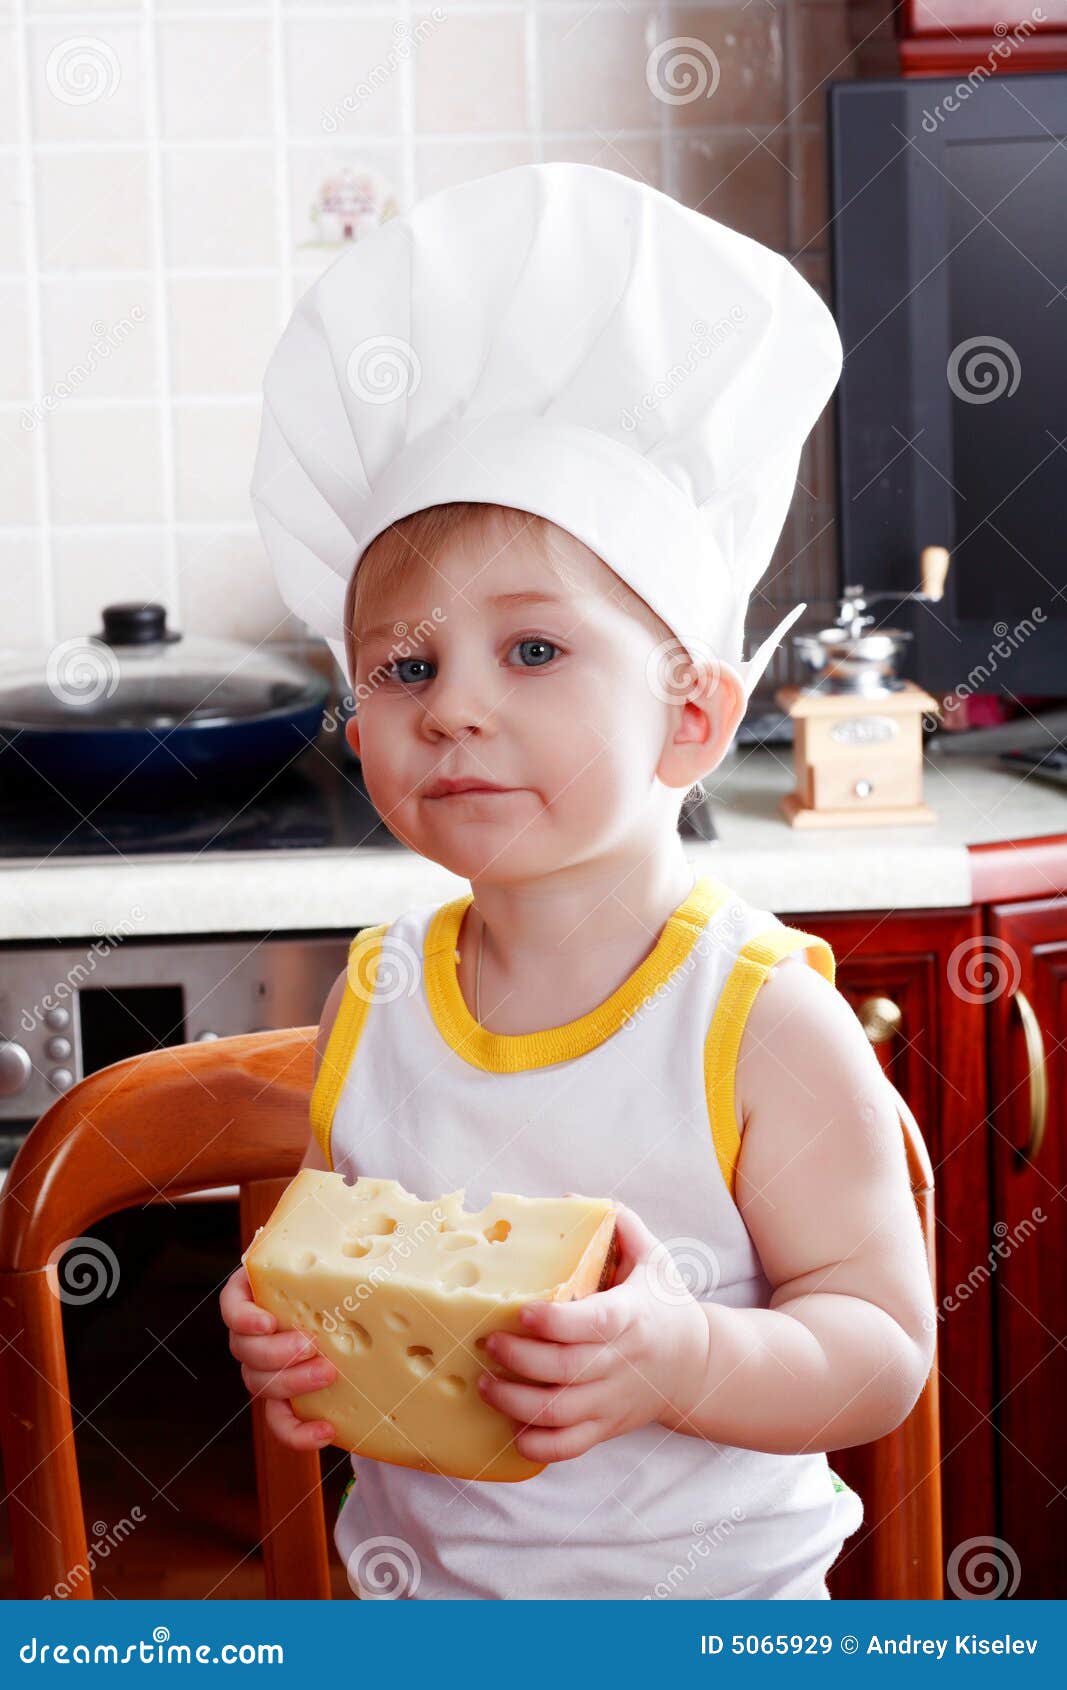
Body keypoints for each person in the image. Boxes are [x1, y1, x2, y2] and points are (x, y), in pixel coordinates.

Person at [220, 163, 936, 1600]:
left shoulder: (757, 1023)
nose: (455, 708)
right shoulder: (380, 993)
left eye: (532, 649)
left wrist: (685, 1358)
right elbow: (341, 1247)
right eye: (406, 666)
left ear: (694, 715)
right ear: (358, 733)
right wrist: (284, 1331)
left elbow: (880, 1349)